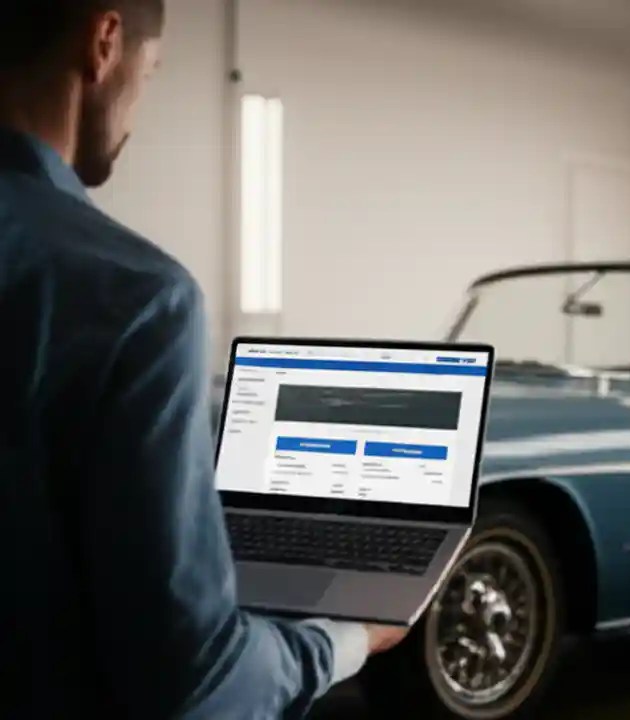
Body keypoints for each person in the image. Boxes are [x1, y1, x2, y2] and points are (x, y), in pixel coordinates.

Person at [0, 1, 408, 717]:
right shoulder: (134, 298)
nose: (137, 111)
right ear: (105, 42)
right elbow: (196, 689)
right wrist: (345, 640)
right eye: (150, 74)